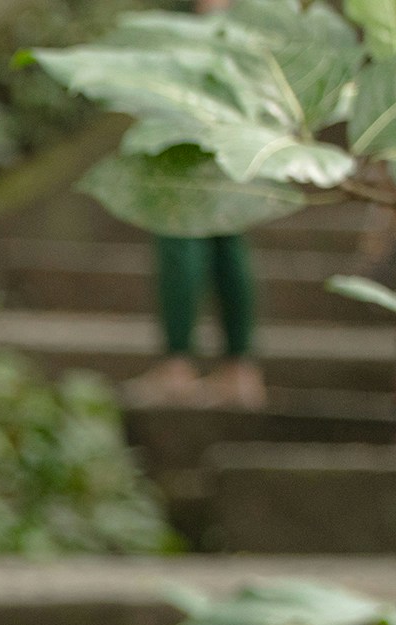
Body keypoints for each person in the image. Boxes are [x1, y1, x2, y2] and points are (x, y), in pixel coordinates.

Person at [128, 0, 267, 408]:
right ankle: (239, 369)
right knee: (226, 227)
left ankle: (178, 366)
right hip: (235, 77)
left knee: (179, 224)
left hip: (200, 76)